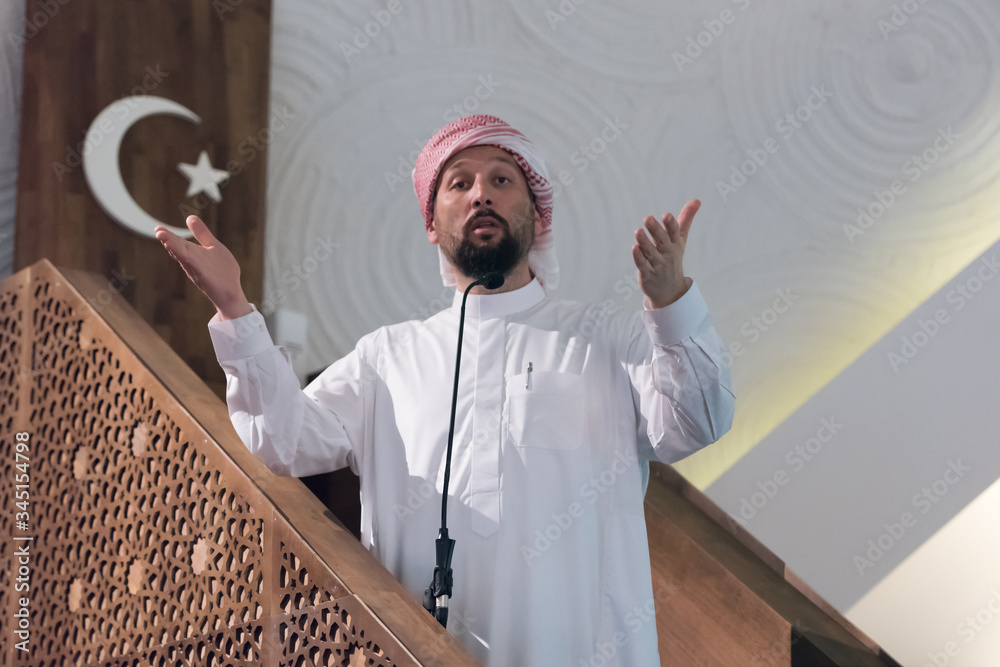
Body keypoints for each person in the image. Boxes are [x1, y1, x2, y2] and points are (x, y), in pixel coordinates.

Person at [156, 114, 735, 666]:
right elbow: (283, 439)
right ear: (433, 223)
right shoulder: (388, 356)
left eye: (502, 180)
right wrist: (235, 310)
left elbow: (698, 422)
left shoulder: (608, 339)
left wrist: (671, 302)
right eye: (460, 183)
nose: (481, 193)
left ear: (538, 216)